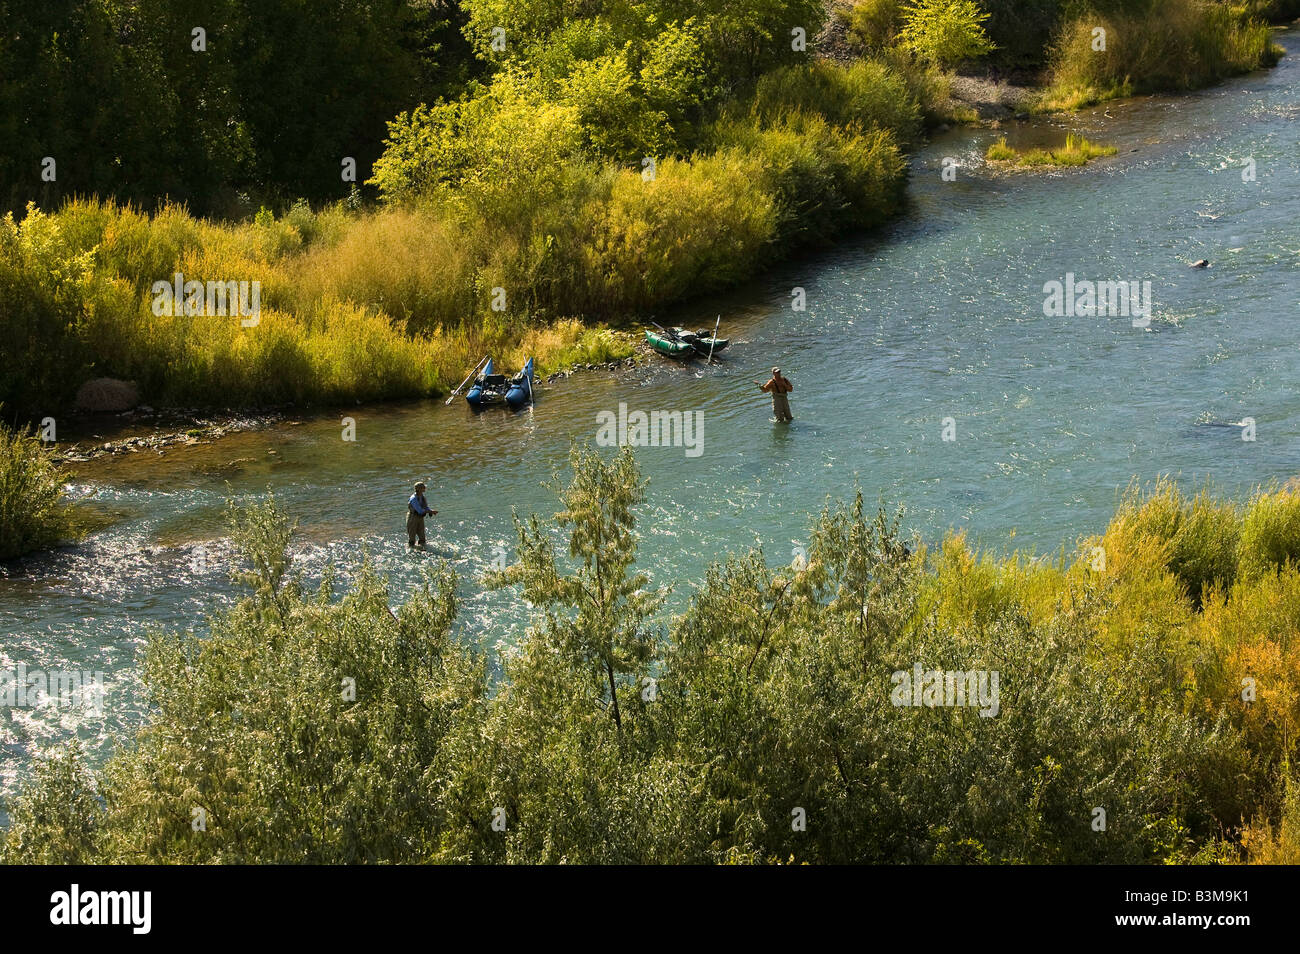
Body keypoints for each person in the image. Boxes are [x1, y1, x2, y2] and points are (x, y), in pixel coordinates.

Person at [407, 481, 437, 549]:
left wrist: (431, 511)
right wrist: (429, 511)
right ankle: (411, 550)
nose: (425, 488)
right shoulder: (413, 499)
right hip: (413, 518)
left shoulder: (422, 497)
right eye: (423, 487)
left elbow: (425, 507)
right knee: (412, 537)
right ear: (419, 489)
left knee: (422, 536)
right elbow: (420, 511)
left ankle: (423, 549)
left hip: (420, 518)